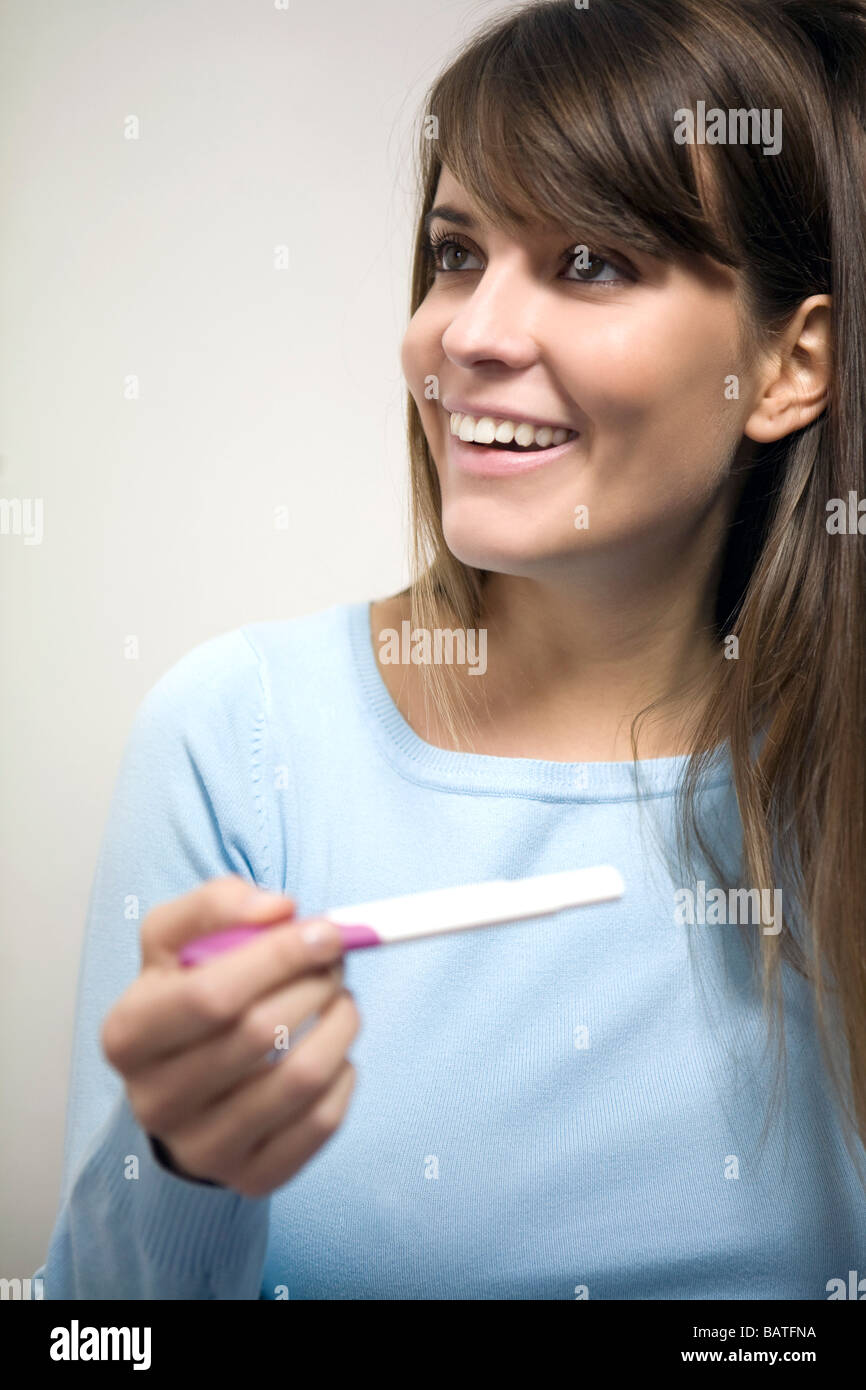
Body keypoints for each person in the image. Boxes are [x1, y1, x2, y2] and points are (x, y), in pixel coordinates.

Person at [37, 0, 866, 1299]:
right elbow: (106, 1332)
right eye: (455, 253)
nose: (468, 335)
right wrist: (179, 1170)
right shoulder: (236, 738)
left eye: (590, 260)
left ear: (784, 364)